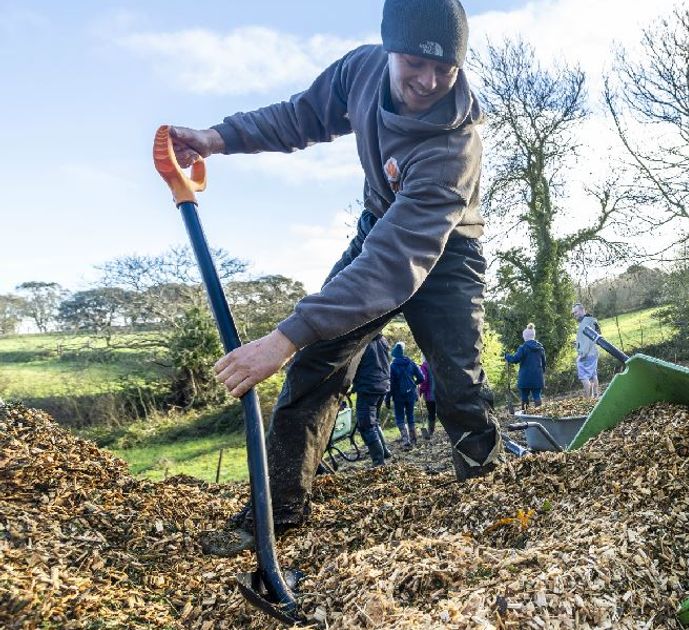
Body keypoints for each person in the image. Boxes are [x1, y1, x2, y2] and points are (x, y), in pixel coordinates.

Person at [180, 0, 502, 554]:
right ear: (389, 49)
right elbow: (300, 117)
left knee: (458, 383)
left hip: (446, 253)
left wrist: (282, 336)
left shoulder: (455, 146)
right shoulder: (361, 70)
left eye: (444, 69)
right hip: (378, 228)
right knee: (316, 364)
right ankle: (276, 514)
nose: (428, 81)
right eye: (414, 63)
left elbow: (394, 264)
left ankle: (489, 493)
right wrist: (217, 138)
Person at [350, 333, 392, 466]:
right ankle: (385, 452)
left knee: (367, 425)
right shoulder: (381, 339)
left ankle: (378, 462)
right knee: (374, 422)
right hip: (382, 384)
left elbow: (353, 366)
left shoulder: (363, 342)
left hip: (368, 387)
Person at [389, 341, 424, 449]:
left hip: (398, 395)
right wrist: (414, 384)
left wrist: (387, 398)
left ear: (394, 355)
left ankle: (405, 441)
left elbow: (391, 385)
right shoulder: (411, 363)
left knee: (400, 417)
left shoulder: (392, 366)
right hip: (411, 394)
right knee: (410, 416)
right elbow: (421, 378)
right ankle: (414, 439)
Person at [504, 324, 547, 411]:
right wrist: (542, 373)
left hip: (525, 377)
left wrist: (507, 356)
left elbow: (515, 359)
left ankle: (525, 414)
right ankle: (539, 413)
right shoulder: (540, 348)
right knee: (537, 396)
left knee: (524, 396)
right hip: (537, 377)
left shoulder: (523, 348)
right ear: (533, 336)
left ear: (525, 337)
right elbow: (544, 364)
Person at [572, 303, 601, 399]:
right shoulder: (591, 320)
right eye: (573, 313)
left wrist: (582, 354)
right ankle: (596, 396)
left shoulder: (585, 323)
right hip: (593, 353)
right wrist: (577, 343)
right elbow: (594, 337)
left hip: (587, 354)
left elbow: (588, 340)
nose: (574, 315)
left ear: (582, 310)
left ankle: (589, 399)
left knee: (583, 376)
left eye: (576, 312)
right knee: (593, 375)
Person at [418, 358, 437, 439]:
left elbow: (424, 380)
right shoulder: (437, 363)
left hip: (430, 395)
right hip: (441, 394)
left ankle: (430, 432)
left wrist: (420, 391)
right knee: (442, 413)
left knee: (431, 413)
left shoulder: (424, 366)